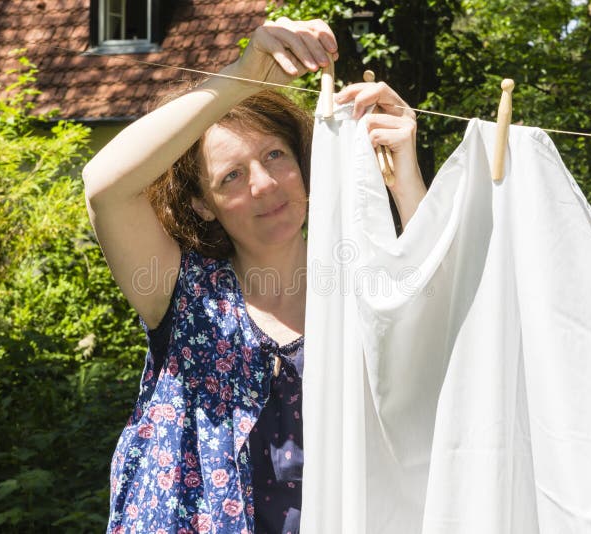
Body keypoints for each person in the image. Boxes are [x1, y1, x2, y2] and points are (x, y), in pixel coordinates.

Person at [82, 17, 427, 534]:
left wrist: (407, 182)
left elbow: (447, 335)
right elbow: (103, 188)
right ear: (202, 203)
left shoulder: (364, 287)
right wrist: (244, 76)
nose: (265, 185)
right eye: (232, 176)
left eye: (274, 155)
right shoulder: (185, 295)